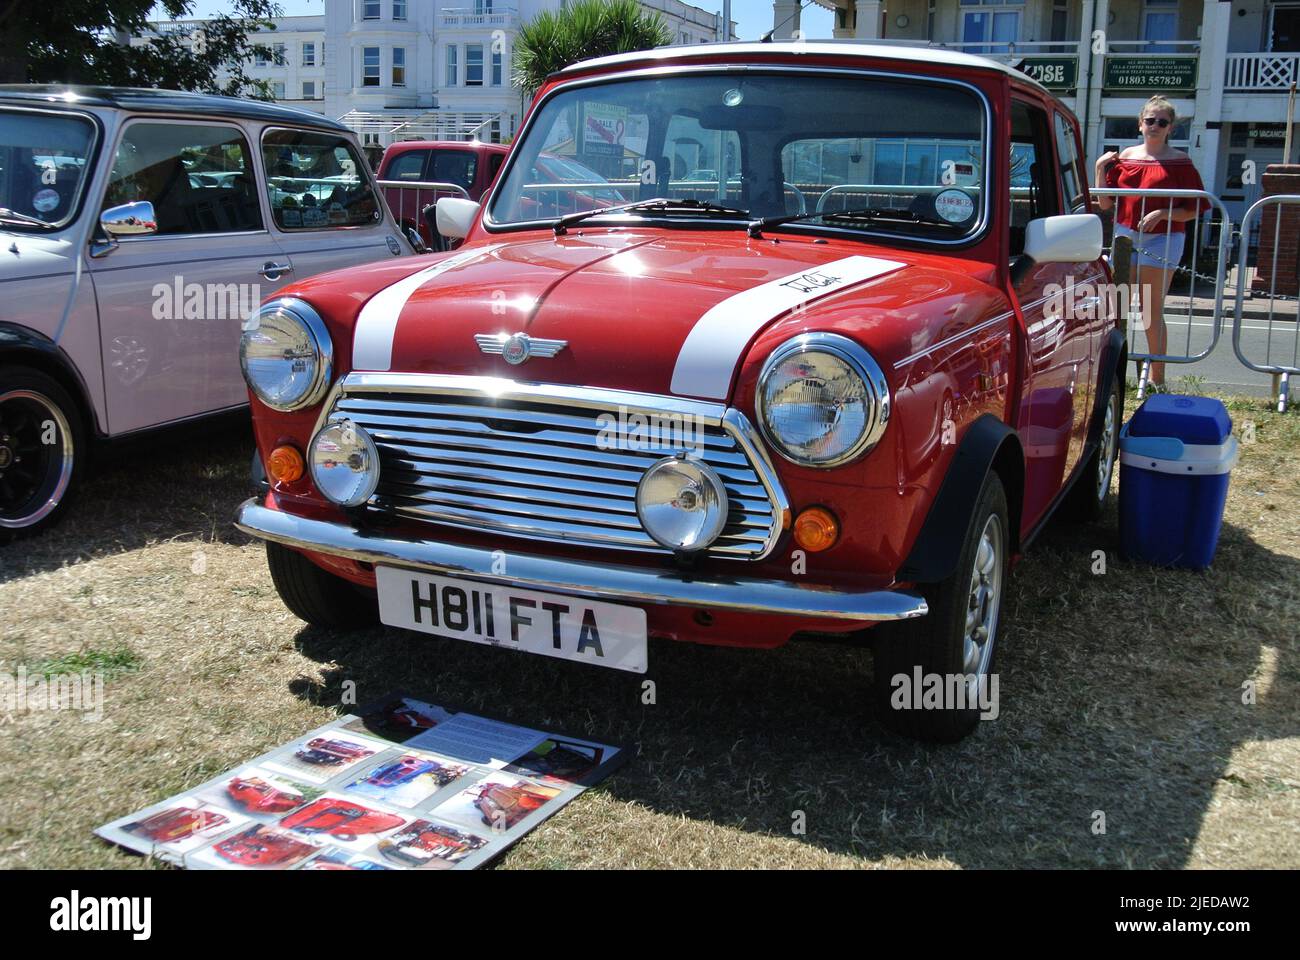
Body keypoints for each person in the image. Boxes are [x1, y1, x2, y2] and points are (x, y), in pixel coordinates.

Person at [1093, 96, 1210, 388]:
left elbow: (1195, 208)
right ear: (1140, 123)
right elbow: (1106, 204)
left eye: (1162, 122)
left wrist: (1163, 213)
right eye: (1150, 120)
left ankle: (1157, 379)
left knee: (1149, 308)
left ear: (1171, 127)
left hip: (1164, 239)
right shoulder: (1125, 158)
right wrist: (1099, 168)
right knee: (1115, 306)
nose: (1155, 126)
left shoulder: (1181, 162)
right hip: (1125, 235)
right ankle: (1113, 378)